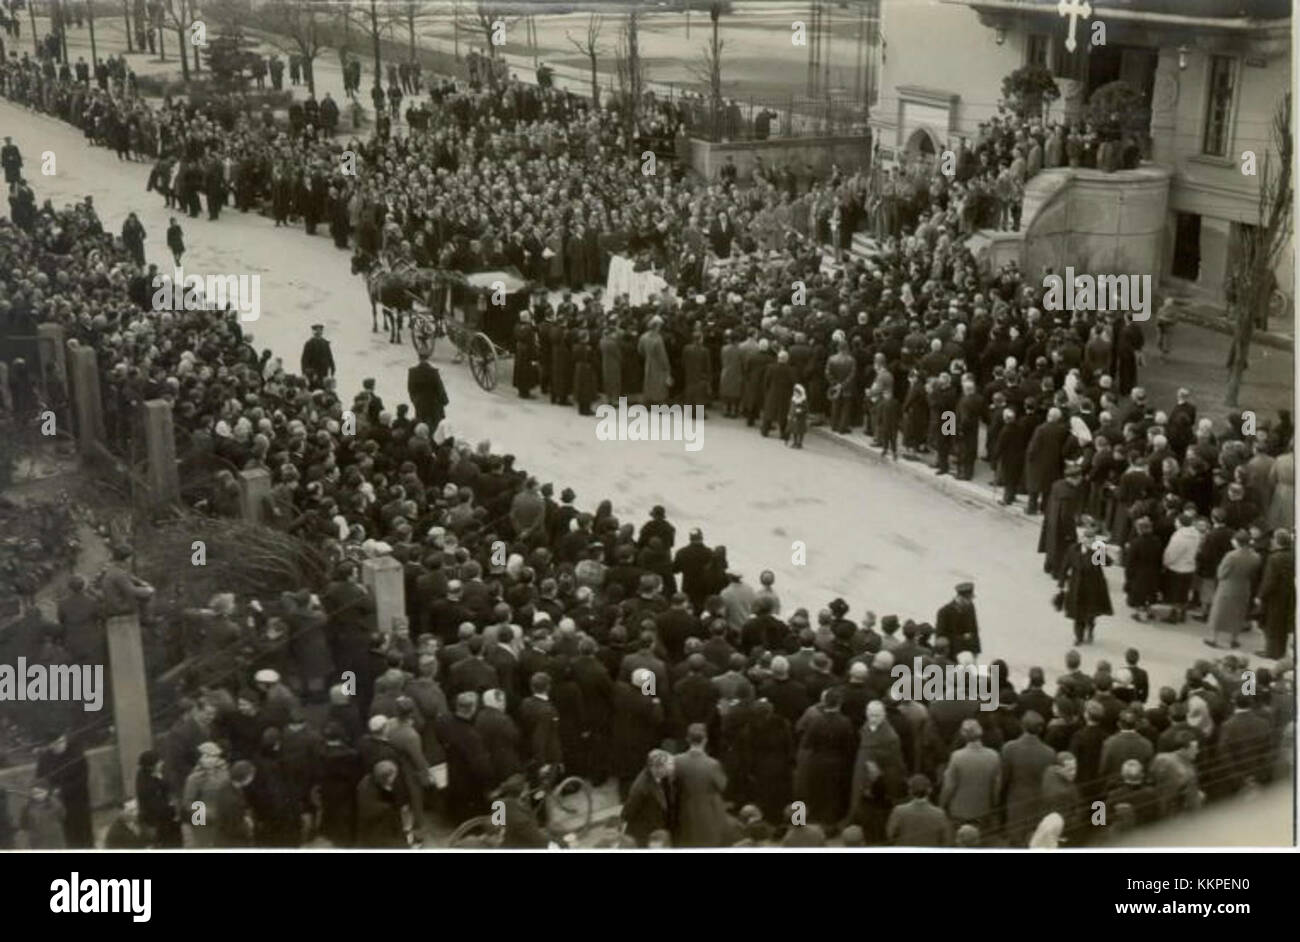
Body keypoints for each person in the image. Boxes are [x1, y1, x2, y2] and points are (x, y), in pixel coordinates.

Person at [672, 724, 728, 847]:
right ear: (705, 740)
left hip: (682, 813)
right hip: (708, 814)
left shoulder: (676, 761)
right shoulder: (712, 764)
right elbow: (722, 786)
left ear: (687, 739)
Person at [1204, 530, 1262, 649]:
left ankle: (1214, 638)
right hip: (1244, 586)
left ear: (1237, 542)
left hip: (1228, 586)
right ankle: (1233, 639)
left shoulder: (1231, 556)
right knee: (1238, 613)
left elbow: (1221, 573)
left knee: (1219, 612)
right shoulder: (1255, 557)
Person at [622, 748, 677, 847]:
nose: (670, 769)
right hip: (644, 835)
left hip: (657, 829)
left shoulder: (661, 778)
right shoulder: (641, 787)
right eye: (667, 766)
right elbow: (627, 812)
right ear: (656, 768)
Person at [935, 582, 980, 657]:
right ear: (961, 598)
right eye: (969, 599)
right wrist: (962, 638)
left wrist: (976, 651)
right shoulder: (944, 612)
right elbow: (940, 638)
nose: (970, 601)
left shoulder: (970, 607)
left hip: (967, 654)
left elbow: (974, 629)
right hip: (952, 654)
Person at [407, 351, 449, 428]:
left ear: (419, 358)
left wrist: (415, 401)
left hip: (420, 404)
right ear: (428, 359)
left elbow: (410, 389)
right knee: (434, 426)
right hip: (433, 404)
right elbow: (440, 388)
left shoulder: (412, 372)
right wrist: (444, 400)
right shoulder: (433, 372)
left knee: (421, 425)